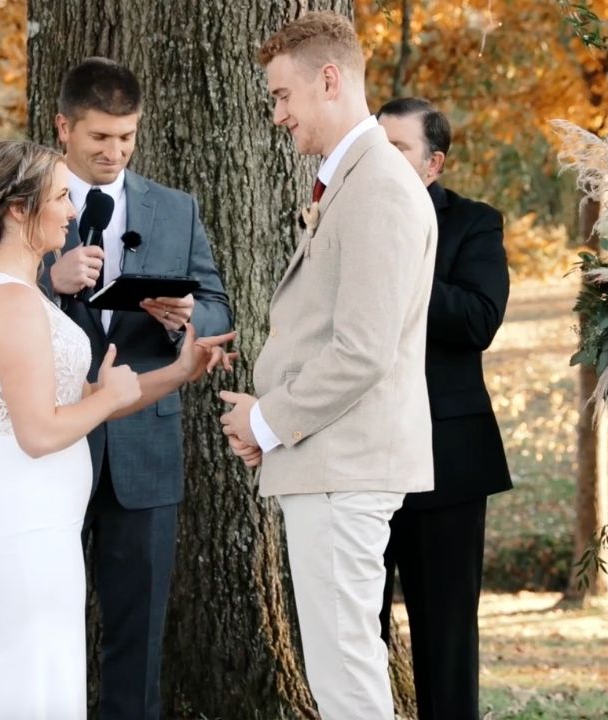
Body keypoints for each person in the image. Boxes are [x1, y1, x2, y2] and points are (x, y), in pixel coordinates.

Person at [0, 140, 234, 719]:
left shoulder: (16, 295)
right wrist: (104, 396)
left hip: (35, 521)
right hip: (21, 524)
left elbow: (82, 401)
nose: (69, 209)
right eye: (60, 196)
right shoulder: (10, 303)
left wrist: (180, 370)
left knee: (30, 678)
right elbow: (39, 432)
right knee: (33, 685)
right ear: (18, 210)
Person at [218, 13, 438, 719]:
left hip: (348, 469)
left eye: (283, 95)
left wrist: (269, 418)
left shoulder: (377, 186)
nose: (278, 114)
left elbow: (364, 348)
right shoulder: (351, 179)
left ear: (331, 80)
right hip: (333, 463)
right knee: (342, 667)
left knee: (346, 676)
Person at [40, 57, 234, 720]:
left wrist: (190, 318)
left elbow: (218, 304)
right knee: (43, 628)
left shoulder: (175, 210)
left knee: (138, 638)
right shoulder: (23, 202)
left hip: (143, 452)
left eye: (127, 138)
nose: (115, 152)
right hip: (48, 444)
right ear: (63, 126)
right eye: (99, 138)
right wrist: (51, 282)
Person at [375, 97, 513, 720]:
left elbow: (479, 320)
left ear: (434, 163)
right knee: (356, 629)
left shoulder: (476, 224)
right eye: (378, 145)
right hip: (359, 454)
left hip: (447, 460)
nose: (383, 159)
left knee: (446, 635)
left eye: (397, 148)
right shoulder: (345, 219)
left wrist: (400, 269)